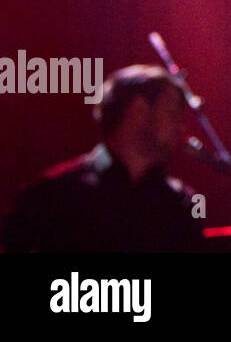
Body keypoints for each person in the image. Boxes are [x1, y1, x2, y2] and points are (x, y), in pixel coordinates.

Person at [2, 65, 204, 252]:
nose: (180, 127)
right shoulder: (52, 196)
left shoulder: (181, 202)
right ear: (139, 110)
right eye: (172, 114)